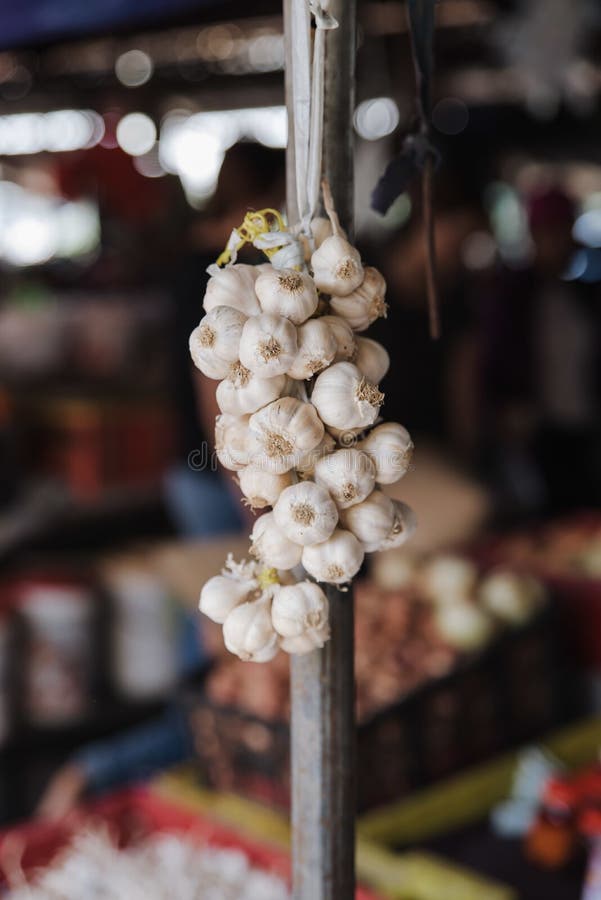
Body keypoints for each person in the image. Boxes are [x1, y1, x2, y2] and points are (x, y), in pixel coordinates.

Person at [37, 143, 286, 819]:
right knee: (227, 638)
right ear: (265, 191)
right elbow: (212, 388)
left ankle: (177, 747)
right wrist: (250, 493)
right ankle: (140, 760)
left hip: (195, 466)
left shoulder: (188, 258)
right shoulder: (231, 266)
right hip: (219, 470)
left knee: (220, 623)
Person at [479, 186, 601, 519]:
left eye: (564, 232)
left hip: (582, 426)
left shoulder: (583, 295)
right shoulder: (510, 294)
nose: (558, 242)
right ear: (534, 235)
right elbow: (493, 356)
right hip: (533, 431)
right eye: (550, 233)